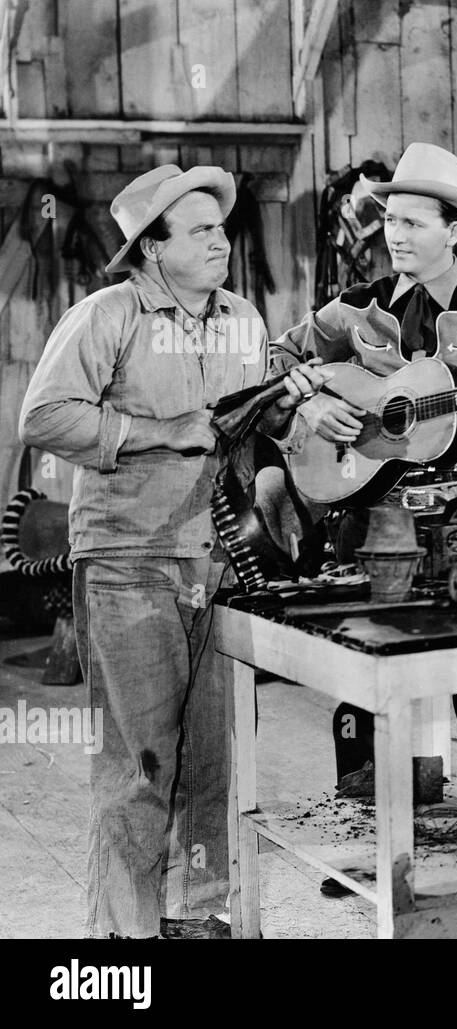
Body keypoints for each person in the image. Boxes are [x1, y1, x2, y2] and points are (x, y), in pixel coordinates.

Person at [19, 165, 327, 939]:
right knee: (140, 768)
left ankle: (198, 917)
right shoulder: (107, 316)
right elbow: (44, 417)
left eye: (220, 227)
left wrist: (295, 415)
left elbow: (257, 431)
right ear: (152, 250)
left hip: (218, 565)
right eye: (198, 230)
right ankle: (124, 940)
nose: (221, 240)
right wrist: (159, 431)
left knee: (213, 764)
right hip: (128, 563)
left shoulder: (246, 322)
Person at [267, 143, 457, 822]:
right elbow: (279, 353)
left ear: (454, 231)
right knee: (363, 683)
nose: (394, 235)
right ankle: (369, 834)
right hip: (374, 525)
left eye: (412, 222)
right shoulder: (357, 308)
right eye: (390, 220)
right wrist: (312, 402)